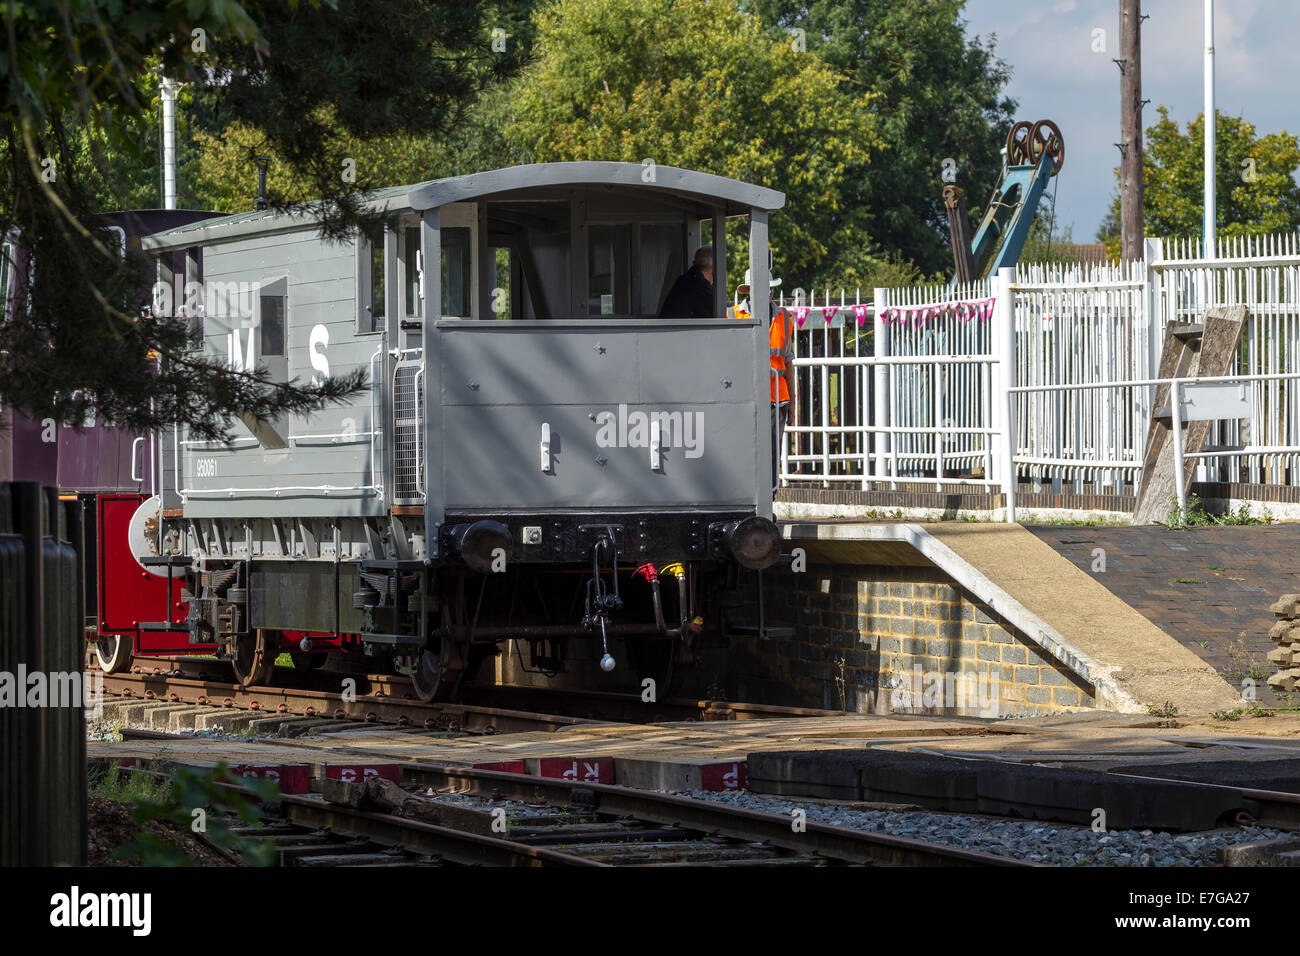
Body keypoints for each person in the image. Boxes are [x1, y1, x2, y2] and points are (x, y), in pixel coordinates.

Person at [728, 269, 796, 490]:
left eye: (768, 288)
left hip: (778, 398)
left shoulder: (785, 318)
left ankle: (769, 495)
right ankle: (745, 493)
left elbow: (788, 363)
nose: (767, 292)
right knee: (744, 448)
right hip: (743, 396)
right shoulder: (732, 315)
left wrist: (794, 403)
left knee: (772, 451)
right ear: (748, 290)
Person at [659, 246, 715, 318]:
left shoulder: (684, 280)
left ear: (694, 263)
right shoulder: (699, 285)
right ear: (714, 268)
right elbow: (716, 312)